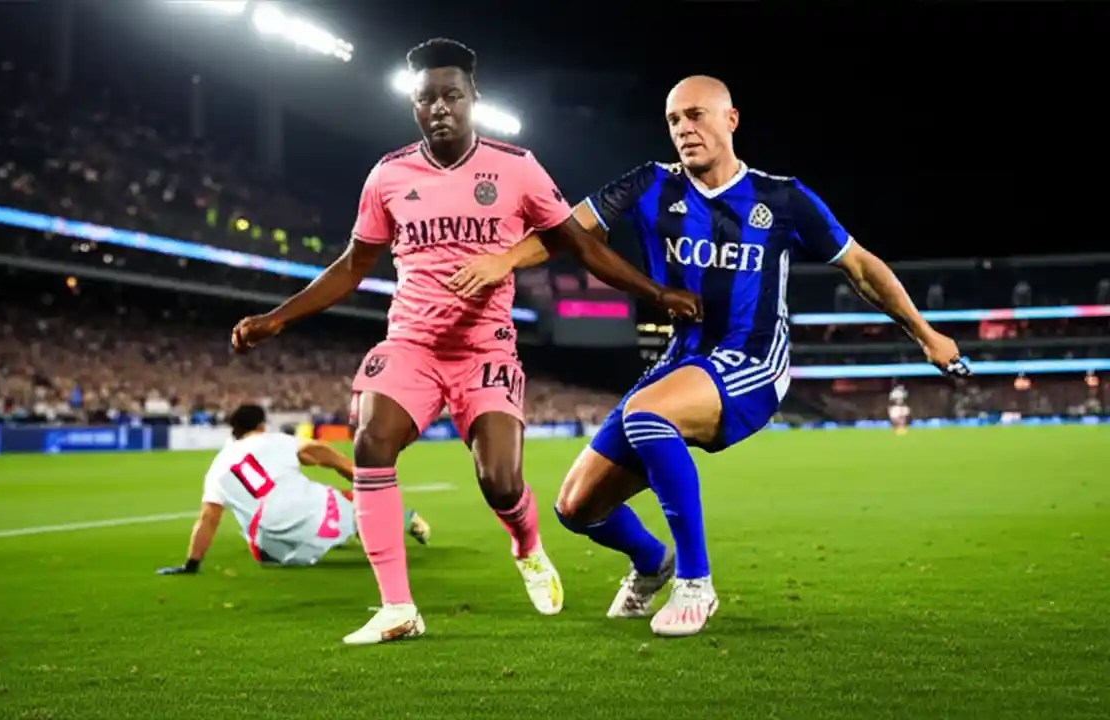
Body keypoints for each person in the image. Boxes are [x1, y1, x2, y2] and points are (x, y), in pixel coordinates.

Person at [446, 75, 970, 638]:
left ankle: (695, 581)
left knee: (648, 415)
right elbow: (568, 232)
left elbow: (861, 266)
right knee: (576, 508)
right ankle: (653, 561)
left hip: (753, 359)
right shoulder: (650, 183)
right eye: (674, 120)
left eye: (696, 115)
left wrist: (925, 334)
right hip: (681, 358)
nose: (684, 129)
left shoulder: (782, 198)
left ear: (731, 119)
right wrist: (504, 260)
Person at [231, 38, 700, 645]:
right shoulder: (388, 175)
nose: (439, 108)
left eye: (451, 95)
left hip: (485, 351)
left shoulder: (517, 167)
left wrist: (655, 293)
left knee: (500, 483)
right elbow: (352, 266)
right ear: (414, 105)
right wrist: (278, 318)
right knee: (372, 442)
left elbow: (579, 244)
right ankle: (397, 607)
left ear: (474, 96)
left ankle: (526, 545)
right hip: (411, 345)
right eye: (426, 98)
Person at [156, 404, 430, 574]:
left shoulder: (217, 467)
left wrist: (191, 564)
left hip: (278, 546)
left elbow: (208, 519)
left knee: (259, 537)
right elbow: (315, 451)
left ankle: (308, 540)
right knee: (340, 499)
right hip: (317, 516)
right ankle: (403, 518)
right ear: (261, 425)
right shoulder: (274, 440)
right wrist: (352, 472)